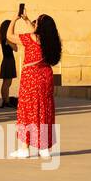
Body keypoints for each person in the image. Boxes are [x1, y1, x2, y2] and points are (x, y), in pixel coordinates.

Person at [7, 11, 60, 158]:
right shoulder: (51, 40)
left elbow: (9, 36)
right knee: (44, 109)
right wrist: (28, 20)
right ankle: (44, 148)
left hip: (31, 77)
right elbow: (37, 31)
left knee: (27, 110)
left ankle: (24, 147)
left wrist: (15, 19)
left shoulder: (31, 39)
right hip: (46, 76)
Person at [0, 19, 18, 107]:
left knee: (6, 82)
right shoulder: (8, 39)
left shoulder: (3, 38)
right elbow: (15, 48)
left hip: (7, 60)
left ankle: (5, 100)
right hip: (9, 61)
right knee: (7, 83)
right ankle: (6, 101)